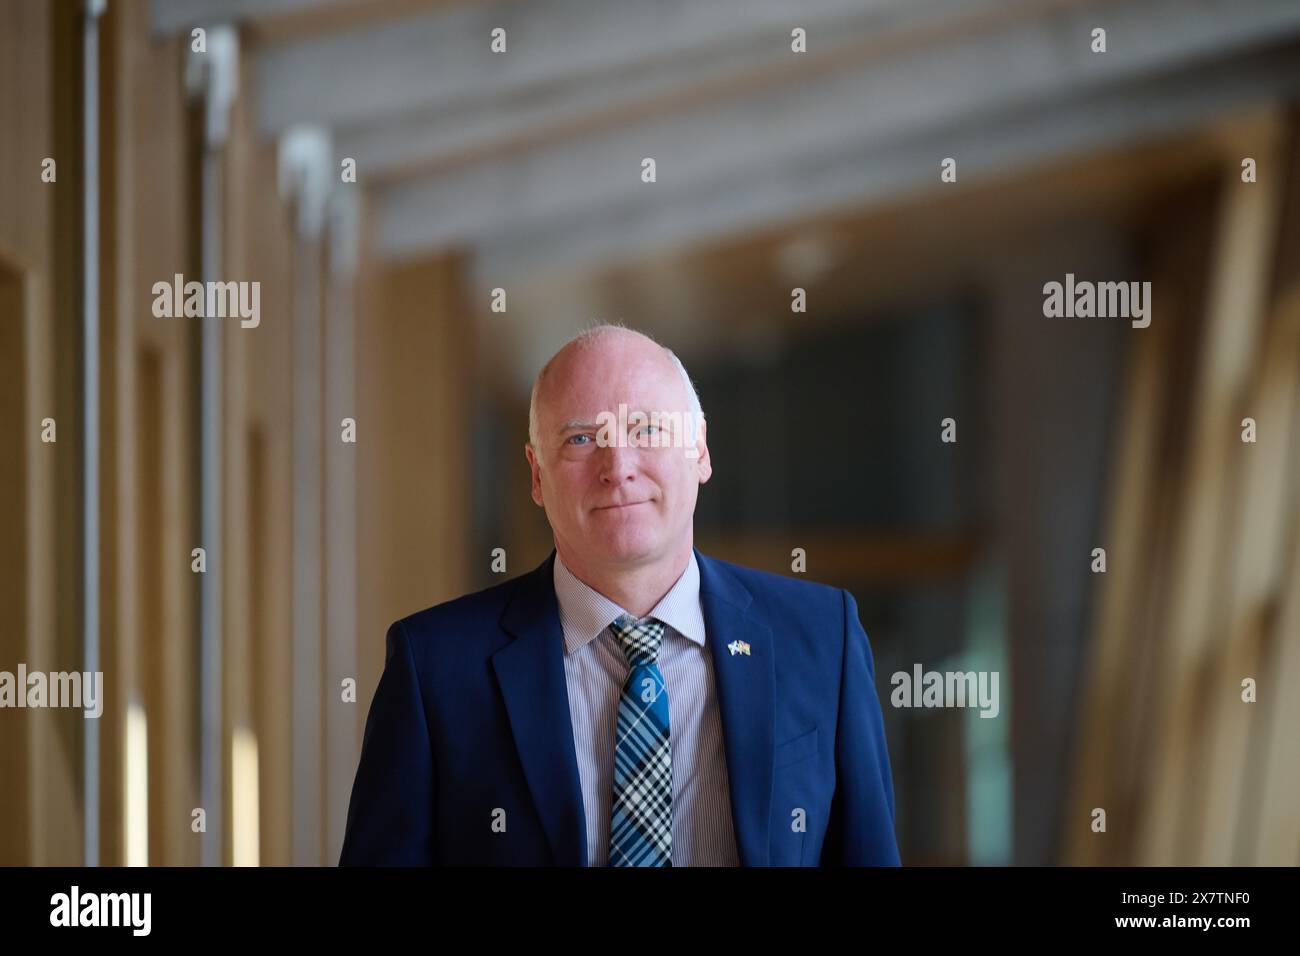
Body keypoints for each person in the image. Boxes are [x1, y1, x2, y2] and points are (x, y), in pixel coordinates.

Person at [339, 324, 900, 866]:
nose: (619, 467)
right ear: (537, 475)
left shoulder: (823, 639)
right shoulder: (434, 667)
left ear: (699, 451)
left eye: (648, 430)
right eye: (582, 438)